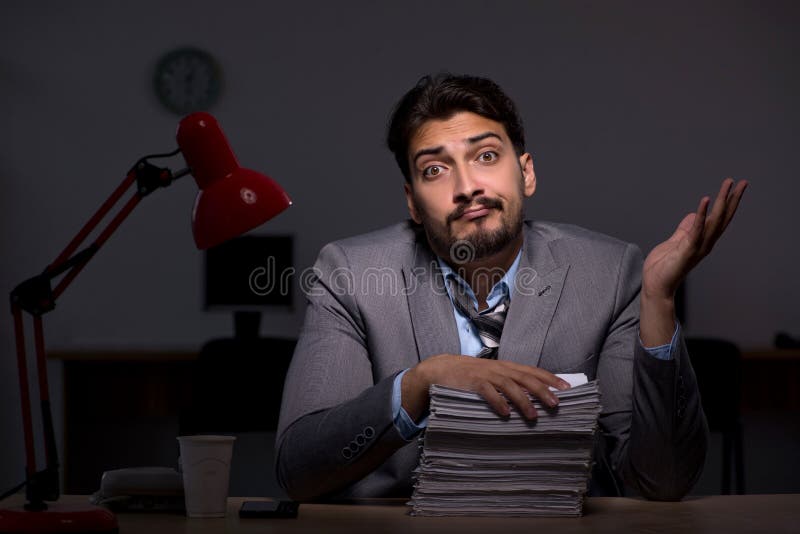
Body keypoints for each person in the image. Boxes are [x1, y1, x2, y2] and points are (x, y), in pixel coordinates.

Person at [275, 73, 747, 502]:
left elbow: (661, 481)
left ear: (526, 173)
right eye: (435, 170)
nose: (466, 187)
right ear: (413, 203)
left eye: (485, 156)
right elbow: (298, 470)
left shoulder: (609, 272)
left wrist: (659, 301)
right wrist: (420, 384)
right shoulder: (350, 274)